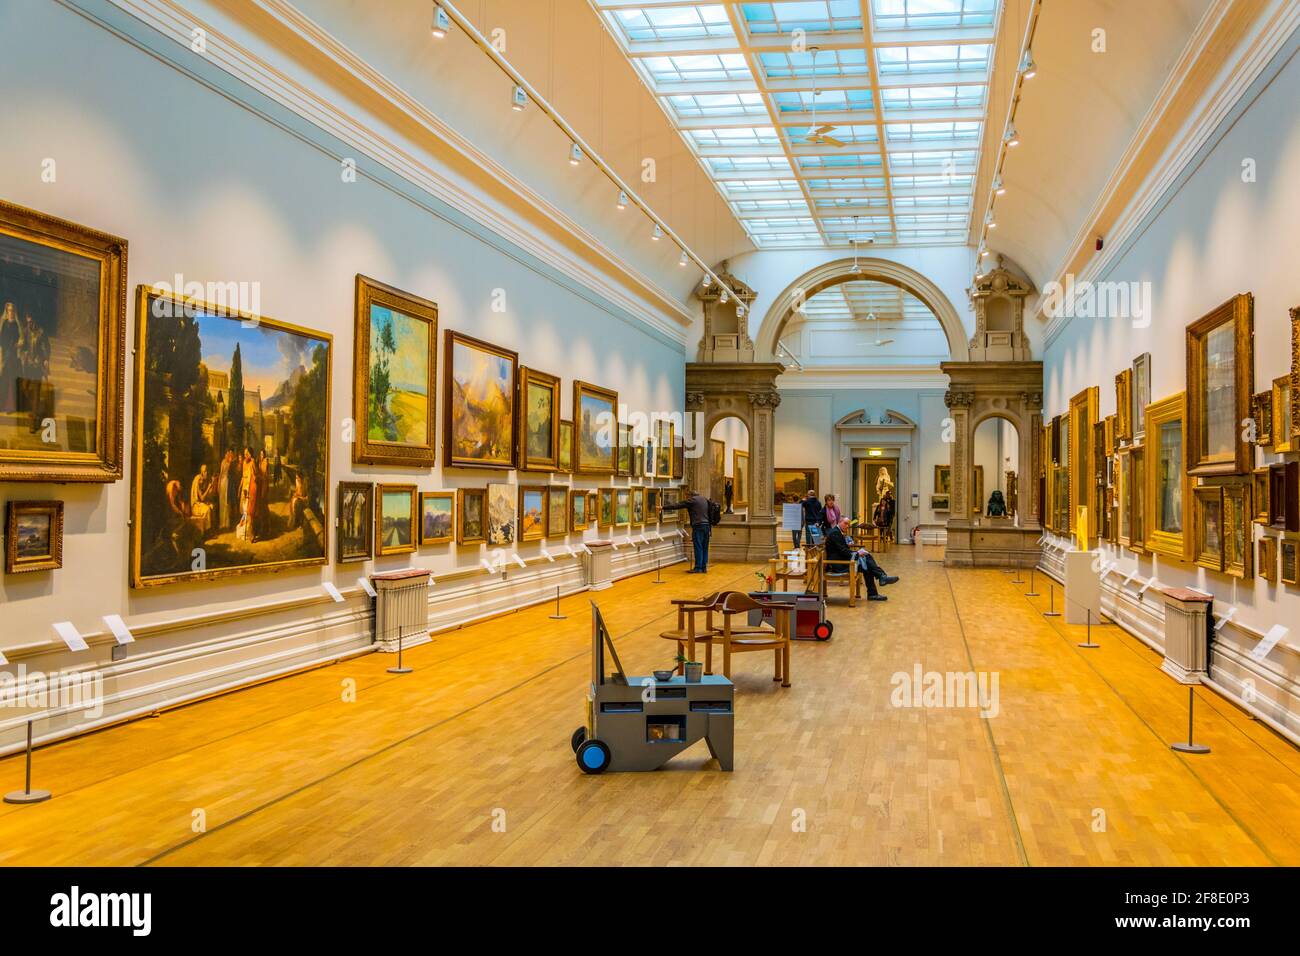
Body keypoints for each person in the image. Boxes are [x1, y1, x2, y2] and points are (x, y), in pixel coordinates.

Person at [826, 517, 898, 602]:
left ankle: (880, 580)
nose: (847, 526)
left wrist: (856, 553)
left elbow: (842, 550)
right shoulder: (835, 533)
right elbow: (842, 551)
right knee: (867, 561)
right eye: (845, 523)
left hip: (843, 560)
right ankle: (879, 582)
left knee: (866, 557)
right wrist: (856, 553)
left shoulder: (837, 532)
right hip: (839, 564)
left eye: (848, 524)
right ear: (840, 522)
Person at [661, 489, 713, 573]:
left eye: (687, 496)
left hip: (698, 526)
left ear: (690, 495)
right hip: (707, 526)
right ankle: (704, 567)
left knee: (698, 546)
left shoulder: (692, 500)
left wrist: (663, 507)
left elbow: (678, 505)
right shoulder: (704, 499)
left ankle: (698, 567)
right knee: (704, 547)